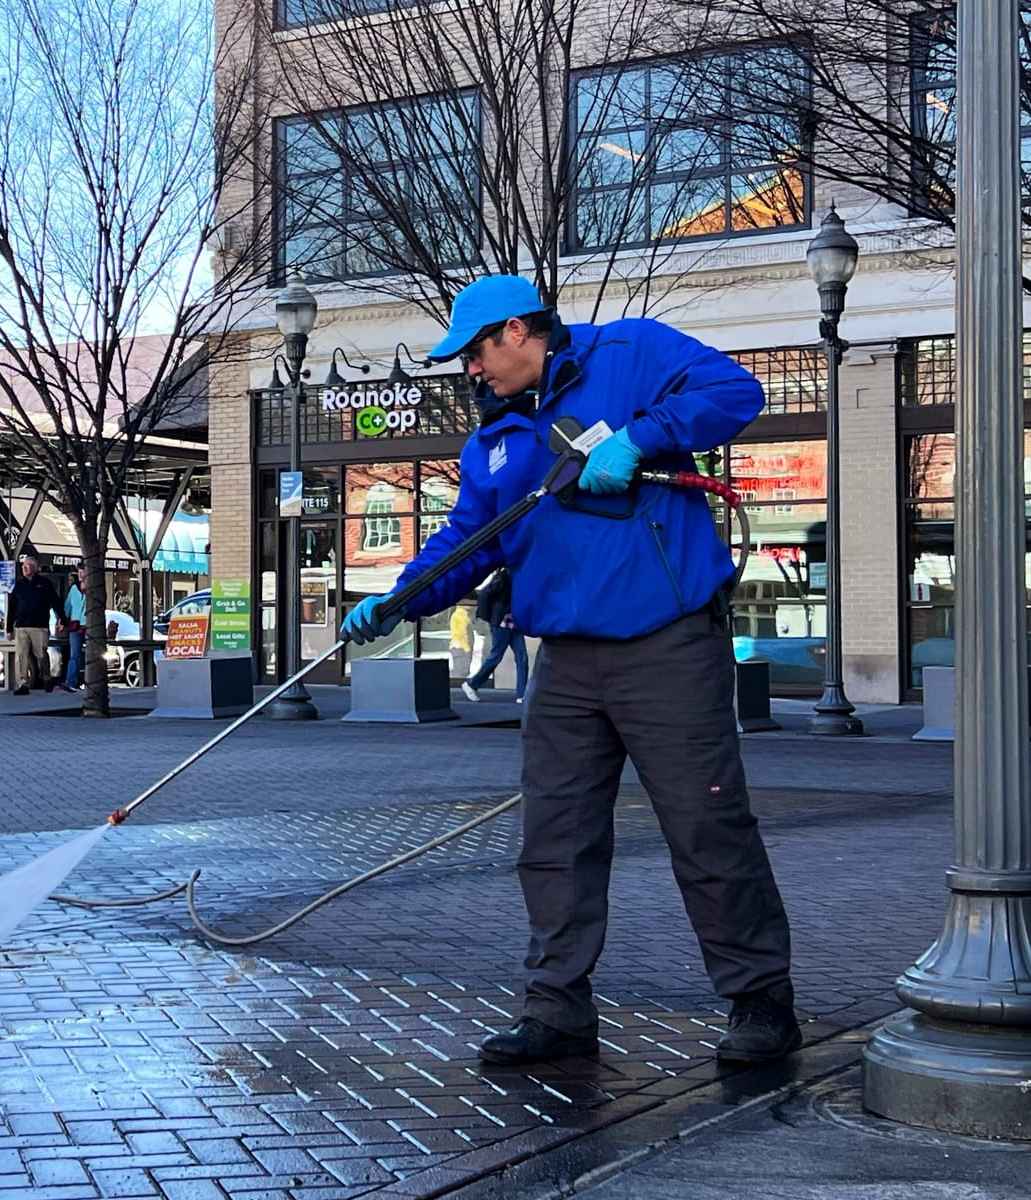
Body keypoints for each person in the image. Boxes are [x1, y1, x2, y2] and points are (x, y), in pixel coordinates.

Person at [341, 275, 798, 1068]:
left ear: (518, 331)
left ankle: (761, 1001)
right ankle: (556, 1008)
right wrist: (399, 599)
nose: (472, 370)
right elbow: (469, 540)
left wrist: (641, 438)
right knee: (556, 838)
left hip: (667, 642)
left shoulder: (632, 351)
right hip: (564, 659)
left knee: (707, 826)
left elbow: (735, 391)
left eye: (476, 352)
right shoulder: (493, 441)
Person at [463, 568, 528, 704]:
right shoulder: (504, 577)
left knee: (522, 658)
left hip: (514, 623)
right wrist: (488, 617)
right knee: (496, 656)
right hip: (502, 622)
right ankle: (472, 684)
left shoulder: (520, 577)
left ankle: (522, 694)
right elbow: (485, 593)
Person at [5, 552, 59, 695]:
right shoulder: (19, 585)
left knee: (41, 654)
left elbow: (55, 602)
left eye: (28, 566)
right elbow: (12, 607)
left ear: (35, 568)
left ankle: (46, 677)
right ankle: (22, 683)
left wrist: (61, 618)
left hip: (39, 625)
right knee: (21, 656)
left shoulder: (45, 583)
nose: (24, 568)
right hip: (21, 626)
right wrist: (9, 628)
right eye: (23, 565)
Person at [59, 565, 88, 692]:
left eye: (83, 572)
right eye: (79, 572)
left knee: (92, 654)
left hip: (89, 625)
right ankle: (71, 681)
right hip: (75, 626)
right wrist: (62, 621)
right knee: (75, 654)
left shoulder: (94, 588)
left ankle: (90, 680)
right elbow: (67, 606)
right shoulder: (74, 588)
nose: (81, 574)